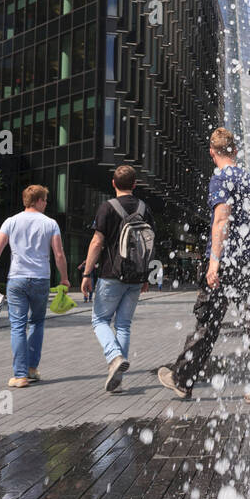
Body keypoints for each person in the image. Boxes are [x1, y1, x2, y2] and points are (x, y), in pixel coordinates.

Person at [157, 127, 250, 403]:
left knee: (208, 323)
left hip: (227, 262)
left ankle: (182, 379)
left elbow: (221, 219)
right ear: (234, 150)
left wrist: (214, 263)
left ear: (212, 153)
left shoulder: (220, 178)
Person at [0, 185, 69, 387]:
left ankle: (20, 376)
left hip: (17, 280)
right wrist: (64, 278)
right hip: (41, 279)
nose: (46, 203)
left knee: (18, 326)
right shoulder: (50, 224)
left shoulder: (10, 222)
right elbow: (59, 254)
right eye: (45, 200)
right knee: (37, 323)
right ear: (37, 201)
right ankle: (31, 369)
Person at [80, 165, 156, 392]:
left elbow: (97, 242)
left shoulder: (107, 208)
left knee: (99, 320)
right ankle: (118, 381)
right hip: (135, 276)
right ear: (134, 185)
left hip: (111, 275)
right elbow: (150, 244)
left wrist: (87, 273)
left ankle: (114, 358)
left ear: (113, 183)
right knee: (123, 325)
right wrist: (145, 277)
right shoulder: (144, 208)